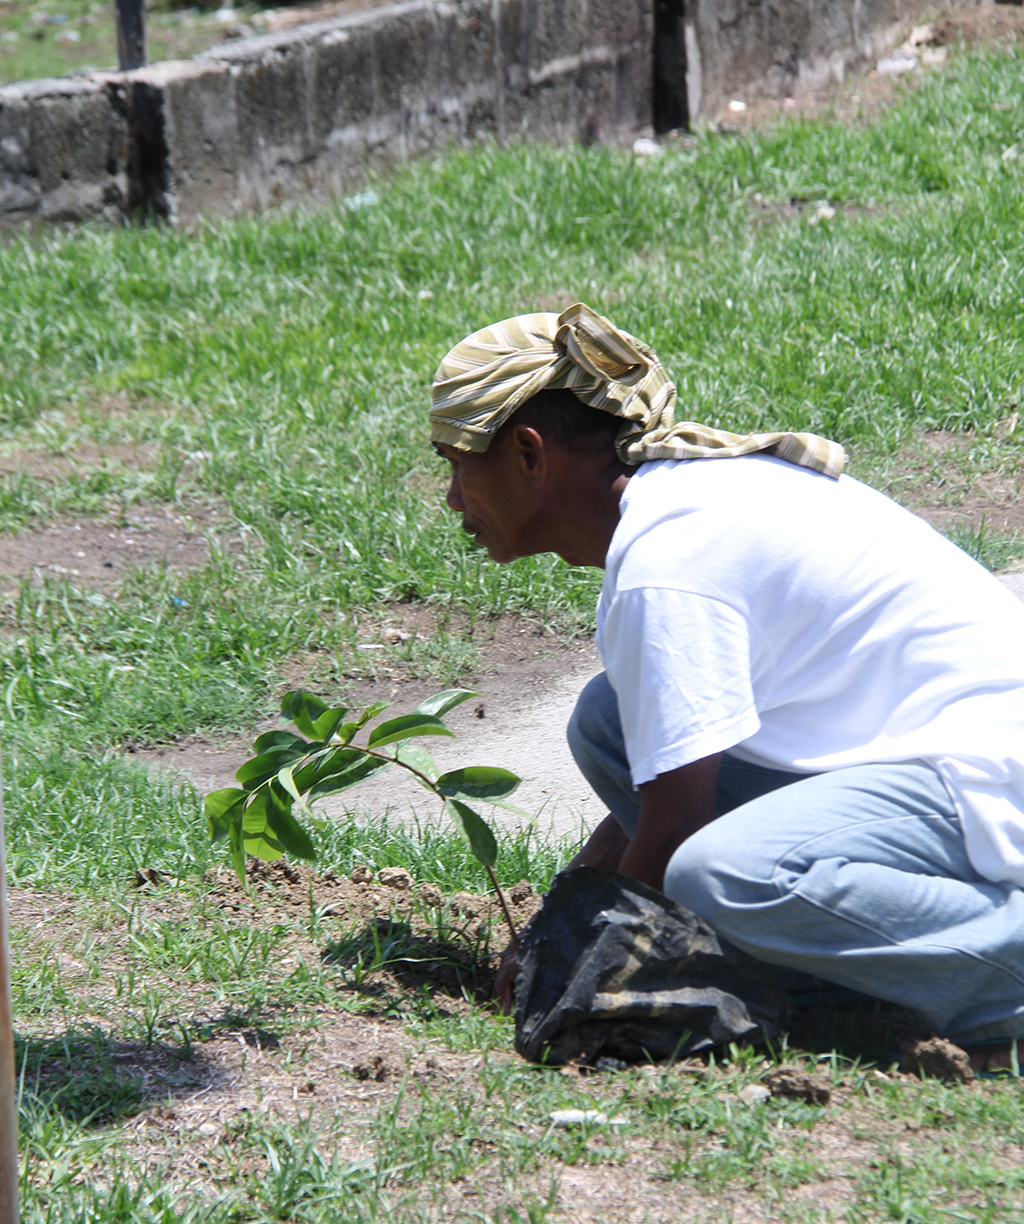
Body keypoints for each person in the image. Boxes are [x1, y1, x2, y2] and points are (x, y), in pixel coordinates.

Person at [429, 303, 1024, 1073]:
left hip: (985, 774)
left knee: (731, 875)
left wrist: (597, 967)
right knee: (608, 719)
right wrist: (559, 923)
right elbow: (663, 787)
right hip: (916, 760)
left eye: (455, 463)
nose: (452, 500)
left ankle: (999, 977)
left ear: (529, 454)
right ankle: (853, 966)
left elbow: (675, 822)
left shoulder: (669, 558)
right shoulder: (674, 509)